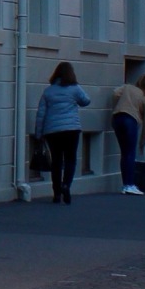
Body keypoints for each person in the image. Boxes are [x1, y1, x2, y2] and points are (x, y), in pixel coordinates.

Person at [32, 62, 91, 204]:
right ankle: (66, 185)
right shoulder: (75, 89)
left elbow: (41, 114)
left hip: (52, 131)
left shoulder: (48, 91)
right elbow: (86, 101)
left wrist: (38, 134)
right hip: (71, 129)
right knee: (70, 159)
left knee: (56, 162)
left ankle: (56, 193)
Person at [109, 72, 145, 195]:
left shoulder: (127, 87)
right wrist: (142, 142)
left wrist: (118, 106)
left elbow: (115, 93)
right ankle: (129, 184)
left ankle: (125, 184)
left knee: (124, 152)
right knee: (130, 153)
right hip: (130, 120)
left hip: (117, 118)